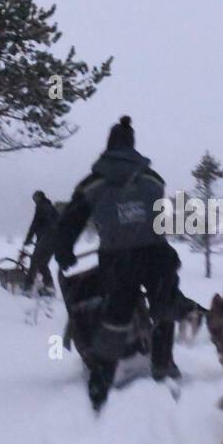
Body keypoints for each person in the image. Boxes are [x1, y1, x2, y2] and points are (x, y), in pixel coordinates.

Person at [54, 115, 182, 409]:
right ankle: (163, 363)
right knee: (164, 305)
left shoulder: (94, 182)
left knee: (116, 313)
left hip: (118, 258)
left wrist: (64, 251)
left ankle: (101, 381)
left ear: (109, 145)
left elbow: (71, 220)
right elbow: (160, 216)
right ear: (132, 145)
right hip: (156, 253)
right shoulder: (152, 179)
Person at [23, 190, 59, 293]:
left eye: (35, 198)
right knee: (42, 264)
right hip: (53, 240)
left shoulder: (41, 207)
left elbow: (34, 224)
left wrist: (28, 239)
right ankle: (49, 286)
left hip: (45, 239)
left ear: (39, 197)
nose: (34, 200)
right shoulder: (51, 208)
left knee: (35, 261)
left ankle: (27, 288)